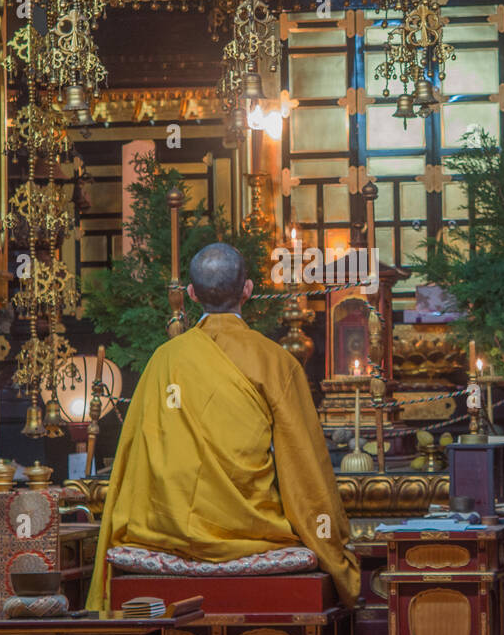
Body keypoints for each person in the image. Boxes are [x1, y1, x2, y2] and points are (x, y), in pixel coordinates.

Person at [86, 242, 360, 609]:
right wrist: (332, 545)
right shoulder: (275, 362)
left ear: (191, 294)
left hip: (164, 533)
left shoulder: (164, 361)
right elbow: (304, 468)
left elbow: (131, 461)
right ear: (247, 290)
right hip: (250, 532)